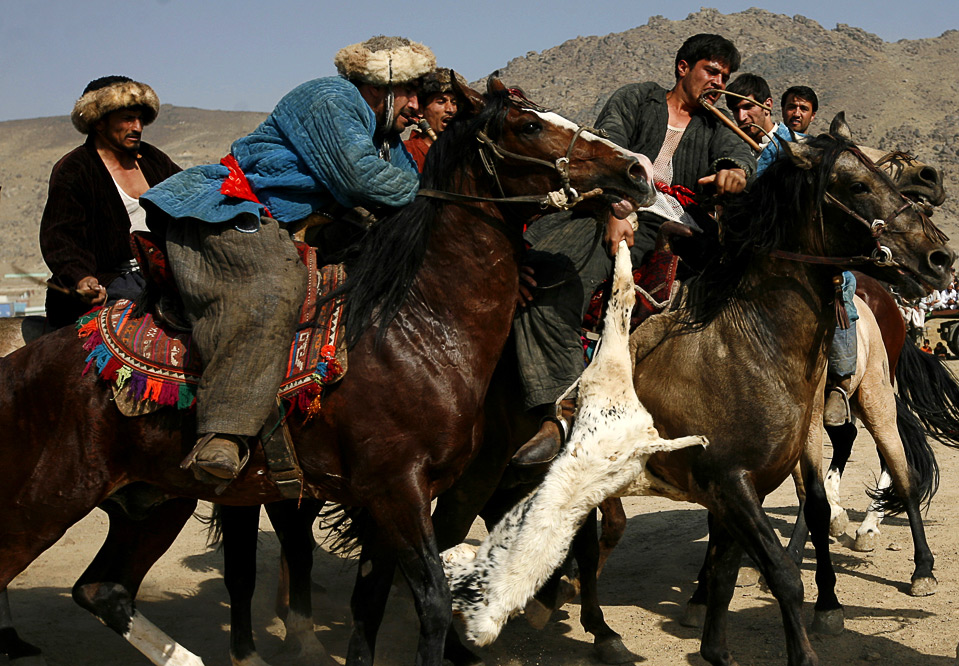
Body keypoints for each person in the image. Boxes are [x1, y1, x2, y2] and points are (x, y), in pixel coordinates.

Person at [141, 36, 435, 483]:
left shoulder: (384, 136)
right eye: (412, 92)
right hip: (232, 213)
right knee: (274, 289)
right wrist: (436, 201)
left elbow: (407, 185)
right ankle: (225, 432)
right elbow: (363, 179)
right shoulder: (328, 98)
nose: (418, 107)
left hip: (296, 224)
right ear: (381, 85)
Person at [511, 33, 756, 469]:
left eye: (725, 75)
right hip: (606, 206)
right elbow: (604, 150)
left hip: (677, 227)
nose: (718, 81)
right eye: (711, 71)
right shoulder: (637, 100)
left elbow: (736, 156)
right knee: (551, 277)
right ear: (684, 68)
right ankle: (561, 406)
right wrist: (614, 208)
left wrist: (734, 172)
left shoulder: (718, 124)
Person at [39, 76, 181, 329]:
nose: (137, 127)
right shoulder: (75, 169)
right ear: (99, 122)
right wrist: (82, 278)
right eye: (127, 118)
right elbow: (60, 238)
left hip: (161, 272)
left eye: (140, 119)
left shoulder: (153, 159)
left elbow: (188, 195)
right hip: (111, 279)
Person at [724, 73, 796, 176]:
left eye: (748, 107)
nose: (741, 117)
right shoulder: (732, 149)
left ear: (768, 105)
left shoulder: (796, 145)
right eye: (736, 110)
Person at [404, 68, 465, 172]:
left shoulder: (465, 153)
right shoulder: (407, 152)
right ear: (421, 110)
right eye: (441, 102)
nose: (450, 109)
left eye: (454, 102)